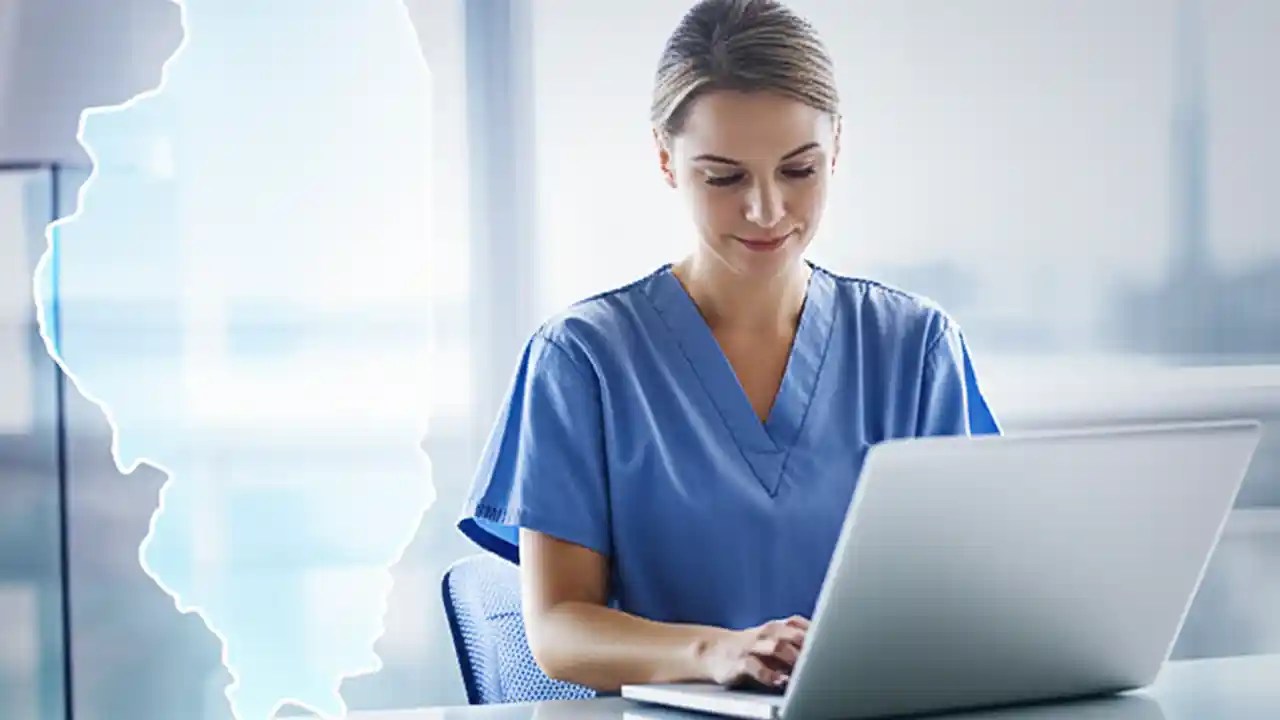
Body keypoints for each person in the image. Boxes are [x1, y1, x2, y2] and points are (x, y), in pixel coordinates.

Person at [457, 0, 1000, 695]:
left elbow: (972, 597)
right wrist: (716, 653)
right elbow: (560, 628)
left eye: (799, 170)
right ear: (664, 158)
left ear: (837, 149)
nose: (767, 210)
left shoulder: (917, 349)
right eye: (725, 177)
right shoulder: (583, 359)